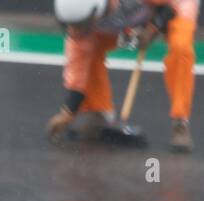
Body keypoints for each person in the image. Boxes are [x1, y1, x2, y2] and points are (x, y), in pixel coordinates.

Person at [49, 0, 196, 151]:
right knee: (87, 48)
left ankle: (180, 122)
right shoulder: (83, 22)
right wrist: (68, 112)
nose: (76, 31)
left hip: (175, 5)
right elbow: (78, 64)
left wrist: (154, 28)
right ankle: (99, 113)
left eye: (81, 25)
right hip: (128, 18)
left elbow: (172, 5)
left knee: (181, 49)